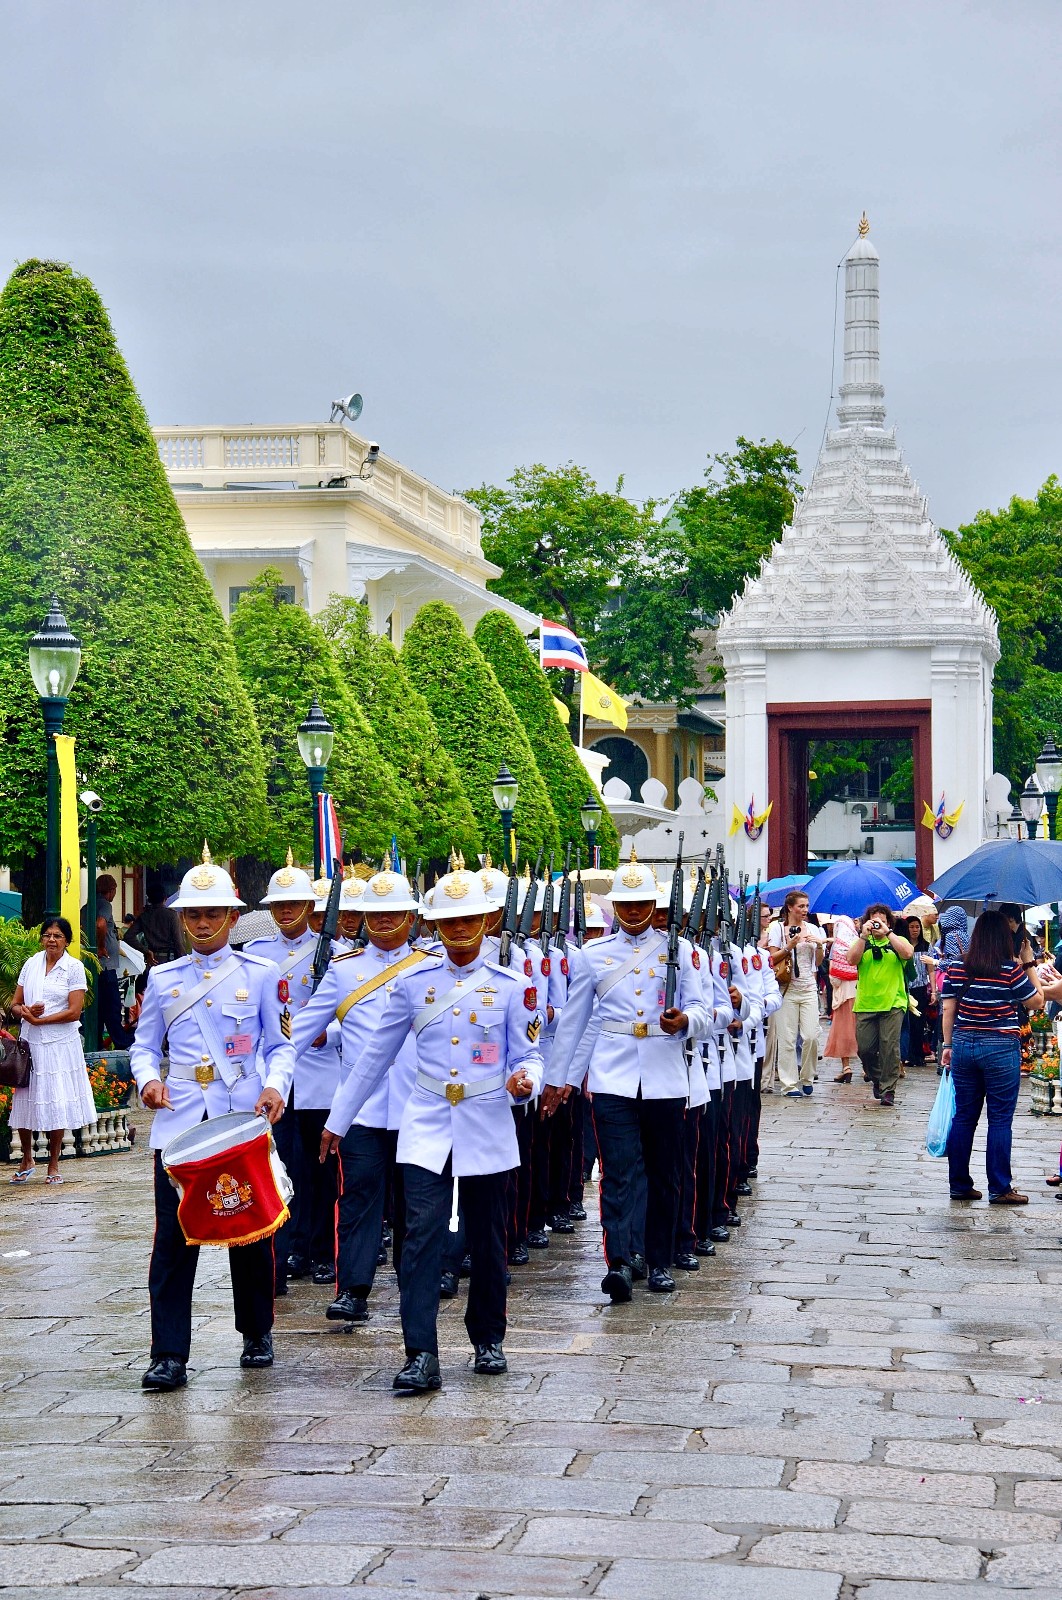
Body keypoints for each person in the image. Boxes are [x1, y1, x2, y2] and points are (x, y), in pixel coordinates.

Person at [317, 864, 543, 1393]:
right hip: (426, 1118)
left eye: (469, 920)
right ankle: (420, 1352)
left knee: (488, 1236)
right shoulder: (413, 983)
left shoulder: (512, 986)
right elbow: (375, 1054)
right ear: (435, 924)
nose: (460, 930)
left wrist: (526, 1080)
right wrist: (338, 1120)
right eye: (449, 921)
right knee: (420, 1235)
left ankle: (488, 1337)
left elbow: (530, 1052)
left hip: (487, 1117)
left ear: (487, 920)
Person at [129, 847, 295, 1391]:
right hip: (179, 1126)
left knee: (250, 1231)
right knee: (173, 1242)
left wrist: (275, 1087)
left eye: (212, 914)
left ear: (231, 916)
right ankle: (169, 1353)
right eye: (193, 915)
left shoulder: (263, 974)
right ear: (182, 920)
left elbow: (280, 1045)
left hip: (240, 1121)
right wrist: (148, 1080)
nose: (203, 924)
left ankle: (256, 1331)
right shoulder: (163, 979)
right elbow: (144, 1047)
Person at [548, 853, 709, 1304]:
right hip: (613, 1073)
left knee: (663, 1172)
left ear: (654, 905)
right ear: (616, 906)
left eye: (641, 903)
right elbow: (576, 1022)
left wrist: (685, 1023)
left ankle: (658, 1260)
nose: (634, 912)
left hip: (664, 1071)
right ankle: (620, 1259)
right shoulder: (592, 955)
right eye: (626, 904)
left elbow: (702, 1010)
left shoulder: (682, 951)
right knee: (617, 1172)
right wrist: (558, 1079)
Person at [291, 869, 424, 1325]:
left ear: (411, 917)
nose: (384, 923)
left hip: (415, 1105)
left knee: (414, 1203)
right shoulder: (344, 971)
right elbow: (302, 1031)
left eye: (394, 915)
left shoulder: (428, 966)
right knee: (357, 1197)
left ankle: (418, 1280)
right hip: (360, 1107)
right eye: (375, 915)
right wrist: (271, 1076)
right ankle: (353, 1288)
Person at [243, 853, 342, 1293]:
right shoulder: (257, 954)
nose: (285, 912)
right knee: (278, 1166)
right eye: (278, 905)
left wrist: (331, 1033)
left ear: (309, 907)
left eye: (293, 904)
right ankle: (286, 1250)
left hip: (320, 1074)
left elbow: (349, 1013)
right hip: (273, 1076)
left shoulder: (336, 954)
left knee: (320, 1170)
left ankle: (322, 1250)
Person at [942, 908, 1043, 1204]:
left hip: (963, 1044)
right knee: (999, 1119)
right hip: (1000, 1045)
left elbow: (949, 1010)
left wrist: (948, 1047)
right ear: (1003, 936)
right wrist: (1028, 962)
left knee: (964, 1116)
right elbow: (1036, 1001)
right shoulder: (1009, 969)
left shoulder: (958, 966)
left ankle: (959, 1185)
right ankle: (999, 1187)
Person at [9, 917, 95, 1185]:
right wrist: (25, 1011)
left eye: (57, 936)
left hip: (60, 1044)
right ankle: (26, 1158)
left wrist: (41, 1020)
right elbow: (14, 1003)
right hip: (31, 1042)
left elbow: (74, 1011)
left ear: (66, 940)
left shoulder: (74, 968)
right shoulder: (31, 964)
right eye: (47, 935)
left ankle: (54, 1163)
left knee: (56, 1099)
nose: (52, 940)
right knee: (25, 1098)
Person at [845, 905, 914, 1108]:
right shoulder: (862, 943)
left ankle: (888, 1089)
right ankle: (877, 1078)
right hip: (866, 1003)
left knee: (889, 1047)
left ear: (889, 922)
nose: (877, 924)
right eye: (873, 920)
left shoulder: (897, 940)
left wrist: (888, 933)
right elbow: (851, 959)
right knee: (865, 1048)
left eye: (882, 920)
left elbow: (908, 953)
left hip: (894, 1002)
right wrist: (864, 936)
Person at [765, 890, 826, 1098]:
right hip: (786, 989)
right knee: (787, 1038)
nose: (805, 910)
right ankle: (789, 1084)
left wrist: (818, 945)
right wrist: (790, 945)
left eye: (806, 906)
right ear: (790, 907)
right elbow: (771, 959)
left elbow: (817, 963)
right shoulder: (777, 928)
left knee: (811, 1036)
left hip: (808, 987)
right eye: (801, 906)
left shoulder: (813, 929)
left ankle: (808, 1076)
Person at [95, 875, 134, 1047]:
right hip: (105, 966)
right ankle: (121, 1043)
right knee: (112, 1007)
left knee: (99, 1009)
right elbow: (100, 924)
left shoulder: (87, 907)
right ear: (110, 890)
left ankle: (98, 1043)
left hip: (97, 967)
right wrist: (101, 946)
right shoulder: (104, 904)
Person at [824, 913, 859, 1081]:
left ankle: (846, 1066)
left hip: (843, 994)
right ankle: (867, 1068)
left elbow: (834, 979)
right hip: (860, 992)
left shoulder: (837, 948)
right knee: (860, 1031)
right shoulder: (859, 945)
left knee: (842, 1031)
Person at [126, 872, 185, 967]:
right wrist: (183, 962)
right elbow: (179, 942)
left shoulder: (144, 916)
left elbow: (128, 936)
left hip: (152, 960)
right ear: (165, 898)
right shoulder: (171, 915)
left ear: (149, 899)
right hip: (169, 960)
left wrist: (146, 951)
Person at [902, 915, 937, 1071]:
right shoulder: (903, 946)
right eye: (911, 927)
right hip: (904, 988)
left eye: (917, 927)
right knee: (906, 1022)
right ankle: (907, 1055)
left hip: (920, 988)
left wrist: (934, 991)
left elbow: (931, 970)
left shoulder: (926, 946)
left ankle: (918, 1055)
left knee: (919, 1023)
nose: (915, 930)